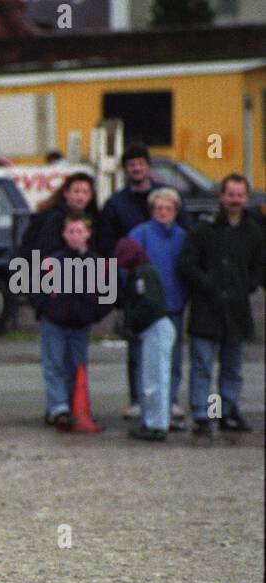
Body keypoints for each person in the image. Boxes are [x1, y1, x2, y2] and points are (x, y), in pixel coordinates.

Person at [97, 143, 186, 418]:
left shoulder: (171, 209)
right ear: (125, 169)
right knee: (138, 350)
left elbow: (187, 255)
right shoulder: (117, 206)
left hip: (171, 296)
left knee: (172, 350)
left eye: (141, 162)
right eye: (131, 163)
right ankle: (139, 399)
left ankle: (169, 400)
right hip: (135, 293)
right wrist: (118, 292)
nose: (137, 167)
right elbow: (107, 249)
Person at [178, 173, 265, 436]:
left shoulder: (253, 231)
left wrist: (245, 285)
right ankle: (203, 414)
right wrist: (208, 286)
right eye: (231, 195)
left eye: (240, 195)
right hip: (206, 308)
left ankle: (227, 410)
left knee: (232, 366)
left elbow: (259, 267)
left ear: (247, 198)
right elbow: (187, 265)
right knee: (203, 365)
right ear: (221, 197)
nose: (235, 200)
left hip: (237, 309)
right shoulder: (203, 229)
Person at [32, 213, 113, 429]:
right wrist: (45, 308)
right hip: (54, 322)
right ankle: (58, 408)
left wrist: (93, 313)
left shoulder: (97, 263)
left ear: (87, 234)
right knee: (54, 365)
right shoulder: (53, 261)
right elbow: (36, 289)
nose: (75, 236)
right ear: (64, 235)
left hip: (80, 324)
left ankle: (76, 406)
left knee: (77, 367)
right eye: (71, 231)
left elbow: (108, 294)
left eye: (79, 231)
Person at [127, 187, 188, 428]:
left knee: (172, 360)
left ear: (175, 211)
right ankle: (146, 408)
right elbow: (126, 271)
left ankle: (169, 404)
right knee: (146, 363)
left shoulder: (183, 238)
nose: (163, 212)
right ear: (152, 210)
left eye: (168, 208)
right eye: (159, 208)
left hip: (174, 308)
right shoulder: (139, 235)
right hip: (146, 312)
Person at [114, 238, 174, 441]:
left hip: (155, 329)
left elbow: (149, 305)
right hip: (155, 328)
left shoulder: (143, 273)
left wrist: (131, 323)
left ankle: (157, 425)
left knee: (155, 380)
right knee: (153, 379)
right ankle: (154, 422)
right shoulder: (144, 271)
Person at [17, 171, 100, 262]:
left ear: (91, 196)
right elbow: (44, 250)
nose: (80, 196)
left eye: (85, 192)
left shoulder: (93, 218)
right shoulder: (53, 217)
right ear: (66, 193)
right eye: (76, 191)